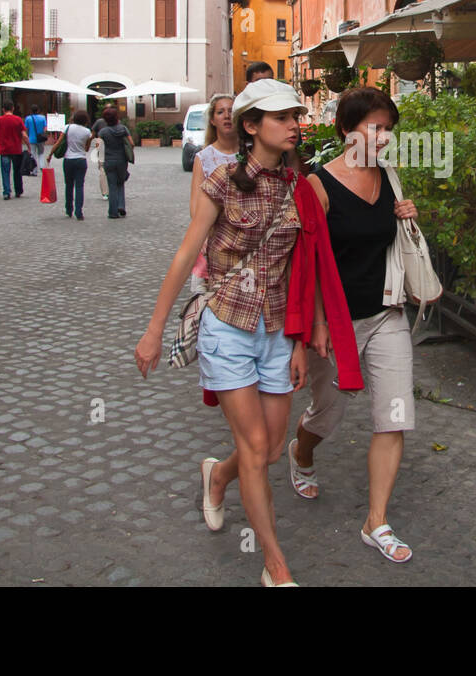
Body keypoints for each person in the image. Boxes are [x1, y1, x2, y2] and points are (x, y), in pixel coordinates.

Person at [134, 79, 363, 587]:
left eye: (296, 117)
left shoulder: (299, 186)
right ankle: (275, 563)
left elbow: (307, 264)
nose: (295, 126)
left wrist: (305, 338)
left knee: (272, 445)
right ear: (252, 126)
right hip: (226, 326)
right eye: (282, 118)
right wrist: (154, 331)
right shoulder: (221, 182)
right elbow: (183, 254)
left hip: (278, 332)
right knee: (256, 445)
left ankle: (217, 475)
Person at [288, 86, 422, 564]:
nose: (383, 137)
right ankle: (301, 453)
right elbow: (307, 264)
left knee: (394, 414)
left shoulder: (391, 178)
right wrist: (317, 324)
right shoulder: (317, 186)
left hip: (387, 312)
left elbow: (392, 241)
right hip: (337, 323)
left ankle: (376, 521)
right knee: (328, 414)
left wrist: (405, 215)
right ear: (346, 130)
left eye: (388, 128)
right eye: (374, 127)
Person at [189, 94, 239, 289]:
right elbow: (195, 207)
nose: (227, 116)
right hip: (216, 236)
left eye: (231, 111)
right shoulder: (204, 157)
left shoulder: (251, 153)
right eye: (220, 112)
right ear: (212, 120)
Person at [49, 109, 92, 220]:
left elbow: (58, 142)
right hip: (81, 160)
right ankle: (79, 211)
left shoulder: (67, 127)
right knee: (79, 186)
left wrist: (50, 154)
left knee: (69, 185)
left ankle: (69, 209)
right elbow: (87, 148)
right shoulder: (87, 132)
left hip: (68, 160)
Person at [97, 106, 132, 219]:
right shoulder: (123, 129)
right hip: (122, 160)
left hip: (109, 160)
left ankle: (112, 212)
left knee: (112, 185)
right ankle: (121, 206)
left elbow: (98, 146)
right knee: (120, 183)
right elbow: (131, 143)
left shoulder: (103, 131)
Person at [0, 101, 27, 200]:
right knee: (17, 171)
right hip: (16, 149)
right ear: (13, 108)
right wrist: (28, 146)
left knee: (5, 171)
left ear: (3, 109)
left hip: (4, 150)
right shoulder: (18, 119)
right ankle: (18, 190)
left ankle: (6, 192)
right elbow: (24, 135)